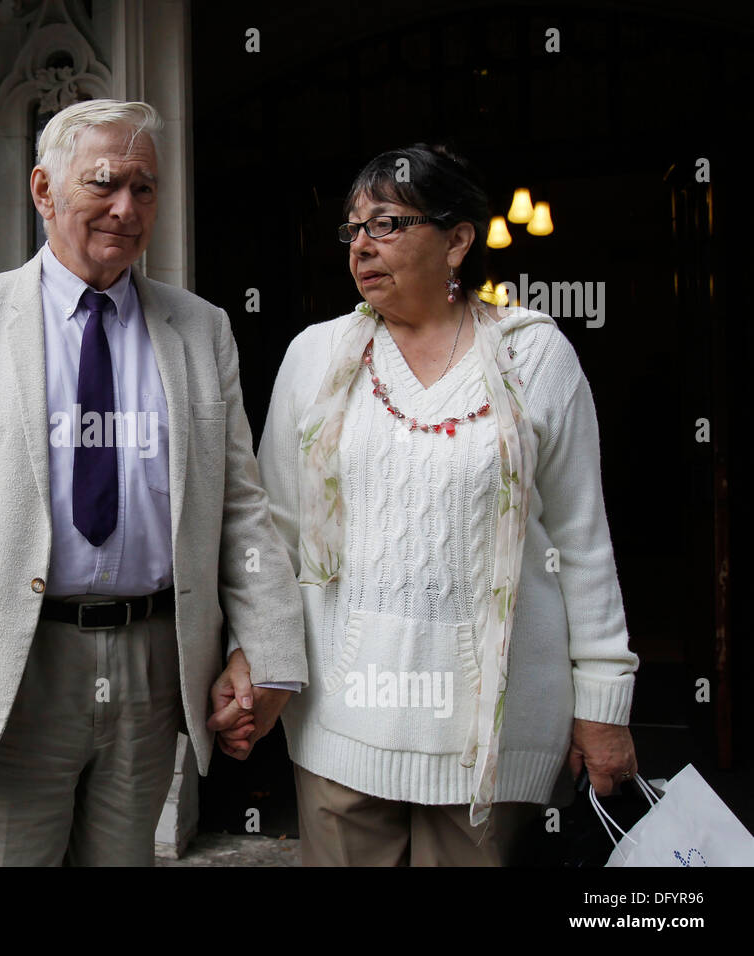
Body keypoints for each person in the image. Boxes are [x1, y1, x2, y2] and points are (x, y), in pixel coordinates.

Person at [0, 99, 307, 866]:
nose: (127, 209)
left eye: (145, 188)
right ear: (43, 191)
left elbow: (240, 507)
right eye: (104, 184)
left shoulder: (201, 329)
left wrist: (266, 650)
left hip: (150, 664)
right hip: (7, 668)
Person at [226, 143, 638, 865]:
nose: (362, 246)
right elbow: (277, 535)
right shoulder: (315, 357)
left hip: (494, 739)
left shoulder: (534, 355)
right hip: (340, 726)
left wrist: (603, 709)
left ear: (456, 239)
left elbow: (579, 542)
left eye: (386, 224)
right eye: (352, 230)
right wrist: (257, 660)